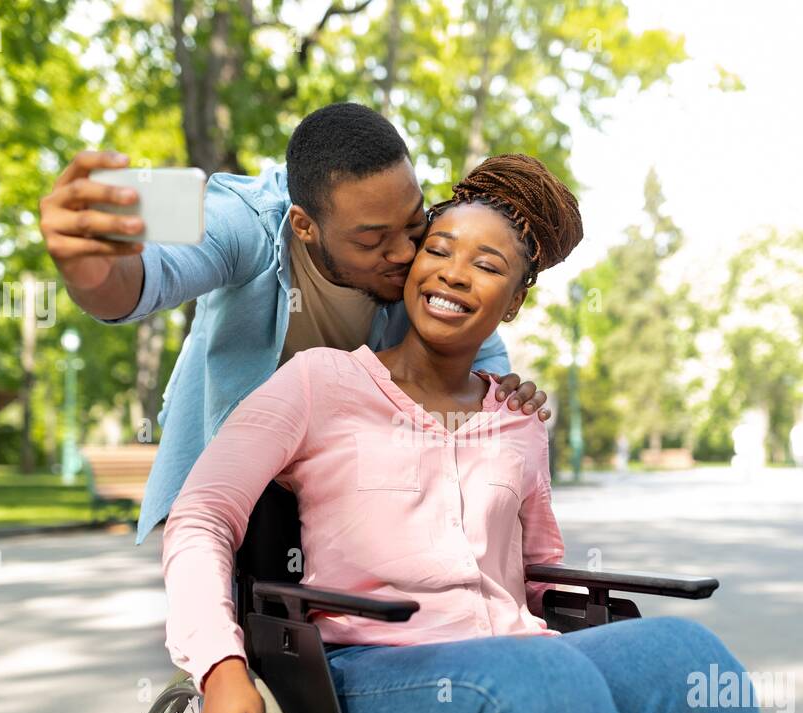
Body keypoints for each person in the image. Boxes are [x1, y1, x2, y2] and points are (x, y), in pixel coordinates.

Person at [163, 154, 770, 713]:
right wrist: (219, 666)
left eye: (486, 264)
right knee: (549, 684)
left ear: (512, 302)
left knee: (694, 664)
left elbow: (538, 578)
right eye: (440, 249)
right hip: (370, 683)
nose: (453, 272)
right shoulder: (319, 383)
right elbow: (201, 516)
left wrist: (578, 619)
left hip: (527, 662)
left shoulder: (518, 419)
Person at [37, 103, 550, 544]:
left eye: (415, 225)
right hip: (233, 492)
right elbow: (148, 278)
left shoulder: (417, 246)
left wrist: (504, 393)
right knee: (225, 641)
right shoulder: (248, 223)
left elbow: (474, 353)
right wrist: (91, 269)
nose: (404, 253)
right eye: (371, 241)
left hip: (341, 498)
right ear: (305, 226)